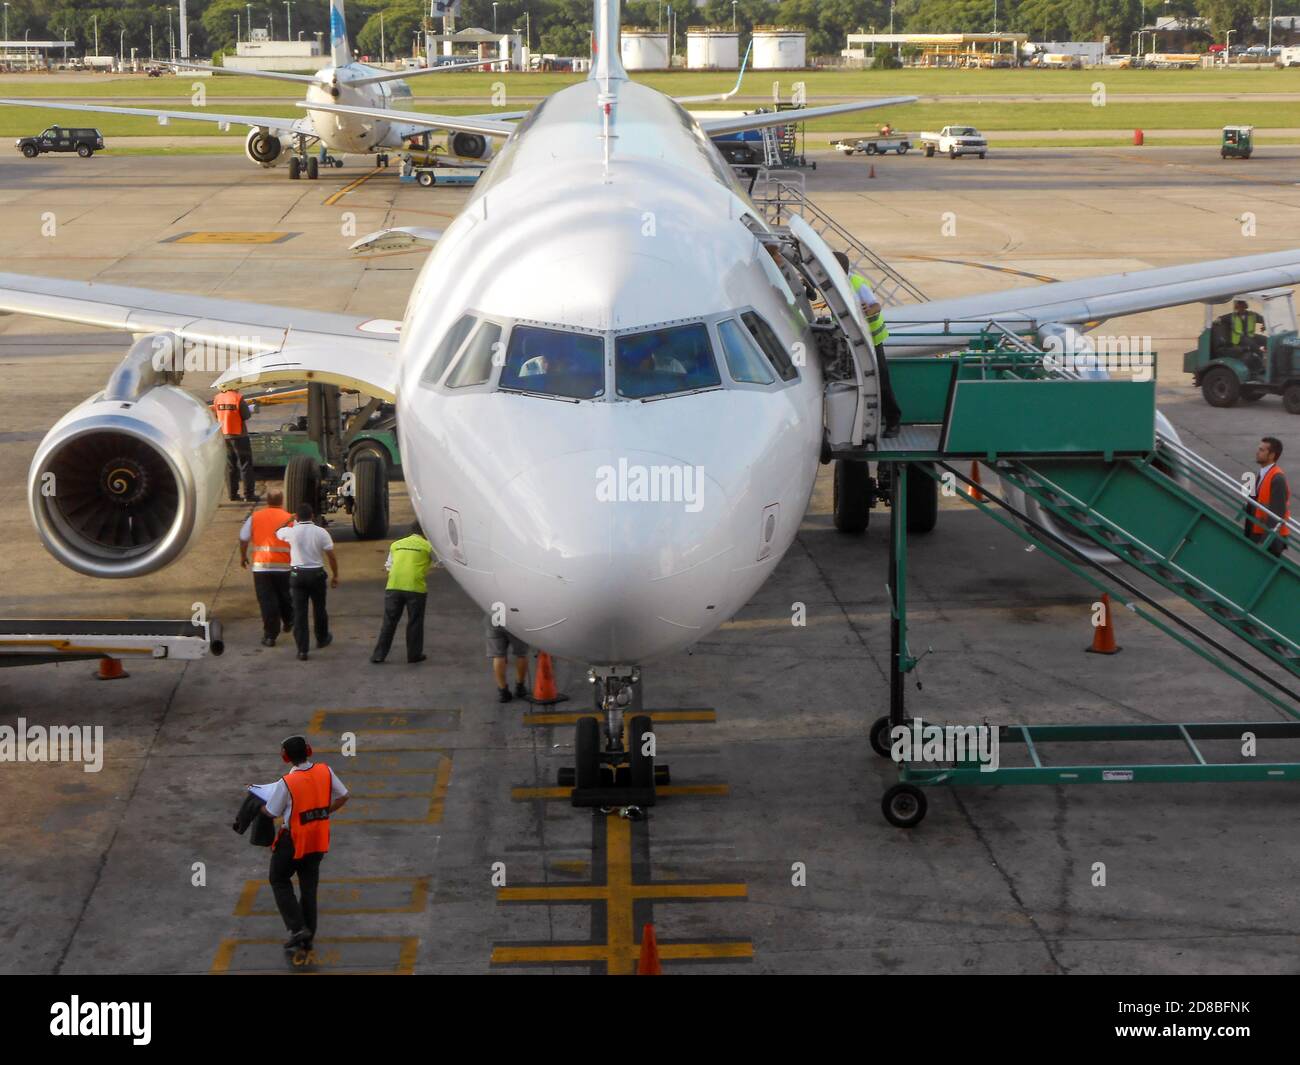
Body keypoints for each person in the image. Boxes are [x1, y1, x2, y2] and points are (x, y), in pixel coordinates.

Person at [261, 735, 349, 952]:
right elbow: (344, 795)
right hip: (318, 839)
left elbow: (271, 812)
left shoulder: (287, 782)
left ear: (285, 757)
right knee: (309, 888)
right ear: (309, 751)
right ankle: (308, 937)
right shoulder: (325, 771)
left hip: (293, 841)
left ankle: (298, 928)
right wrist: (324, 811)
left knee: (279, 879)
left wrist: (259, 805)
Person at [833, 250, 902, 438]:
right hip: (853, 341)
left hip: (872, 340)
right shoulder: (836, 283)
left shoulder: (857, 283)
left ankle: (893, 421)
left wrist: (867, 312)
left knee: (881, 380)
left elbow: (876, 305)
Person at [276, 504, 339, 660]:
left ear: (297, 517)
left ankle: (302, 650)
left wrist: (289, 520)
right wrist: (335, 575)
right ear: (312, 516)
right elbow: (331, 555)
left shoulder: (291, 532)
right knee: (319, 608)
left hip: (298, 575)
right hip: (316, 574)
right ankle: (322, 638)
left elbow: (277, 531)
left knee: (299, 613)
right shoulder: (321, 532)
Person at [371, 521, 434, 664]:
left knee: (389, 622)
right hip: (415, 588)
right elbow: (440, 563)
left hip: (393, 587)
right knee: (414, 622)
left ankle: (379, 655)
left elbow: (388, 566)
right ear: (425, 532)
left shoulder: (396, 545)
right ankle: (413, 655)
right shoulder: (428, 547)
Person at [239, 489, 294, 647]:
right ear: (282, 501)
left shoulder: (255, 517)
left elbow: (243, 538)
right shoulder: (290, 519)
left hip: (262, 567)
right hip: (284, 567)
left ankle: (270, 636)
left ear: (267, 501)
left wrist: (243, 556)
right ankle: (289, 620)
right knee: (285, 596)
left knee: (267, 601)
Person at [212, 387, 258, 503]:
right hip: (239, 435)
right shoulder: (238, 398)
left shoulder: (217, 398)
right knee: (245, 465)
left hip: (224, 435)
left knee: (230, 466)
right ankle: (249, 494)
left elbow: (216, 415)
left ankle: (232, 494)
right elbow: (246, 415)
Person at [1245, 436, 1290, 556]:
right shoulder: (1262, 473)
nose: (1257, 452)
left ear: (1272, 455)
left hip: (1267, 539)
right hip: (1257, 531)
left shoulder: (1277, 478)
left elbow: (1277, 513)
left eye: (1262, 450)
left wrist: (1265, 542)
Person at [486, 615, 529, 703]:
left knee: (498, 656)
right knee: (521, 655)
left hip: (495, 618)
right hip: (516, 620)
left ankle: (503, 692)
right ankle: (520, 687)